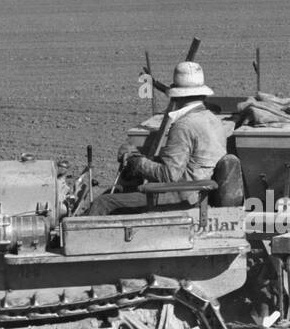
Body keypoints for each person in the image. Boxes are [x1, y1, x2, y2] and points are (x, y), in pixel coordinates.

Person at [91, 61, 228, 214]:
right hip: (199, 195)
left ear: (177, 96)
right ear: (202, 93)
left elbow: (169, 175)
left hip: (180, 197)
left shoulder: (184, 125)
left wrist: (135, 161)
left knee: (103, 203)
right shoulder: (214, 120)